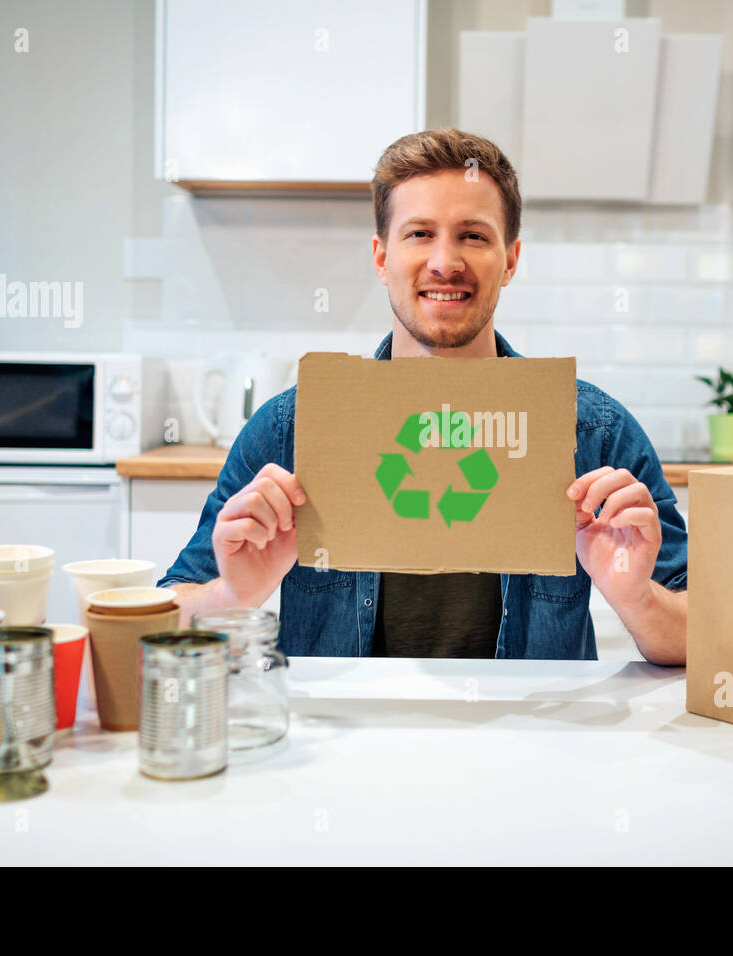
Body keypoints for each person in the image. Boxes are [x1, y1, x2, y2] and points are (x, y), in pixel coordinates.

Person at [161, 128, 688, 664]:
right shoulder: (290, 429)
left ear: (510, 259)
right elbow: (162, 618)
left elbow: (705, 635)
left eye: (473, 236)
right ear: (380, 257)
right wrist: (235, 596)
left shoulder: (592, 430)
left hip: (532, 739)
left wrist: (637, 598)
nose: (445, 262)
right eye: (419, 234)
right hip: (345, 739)